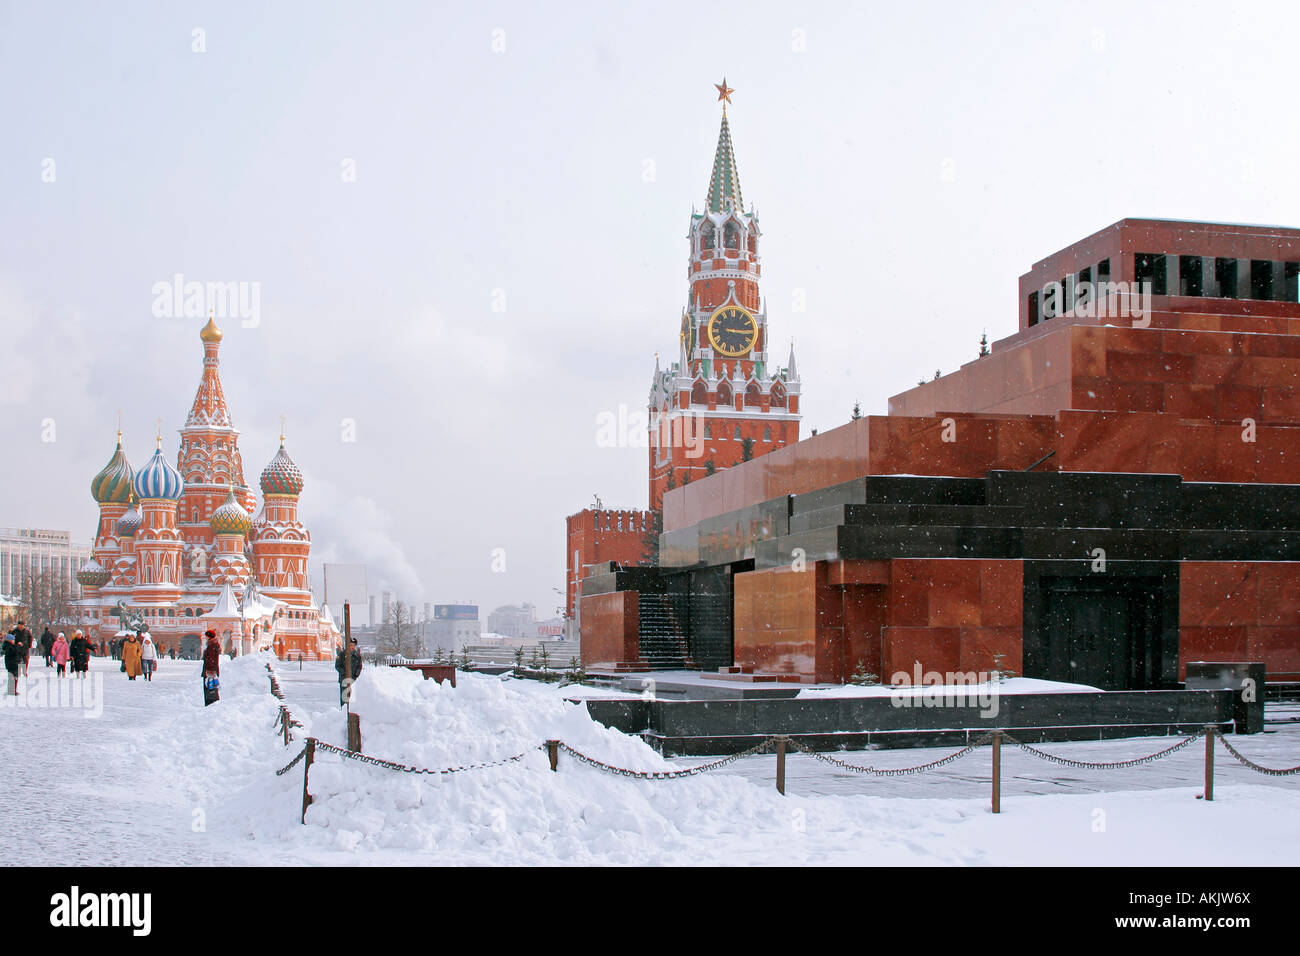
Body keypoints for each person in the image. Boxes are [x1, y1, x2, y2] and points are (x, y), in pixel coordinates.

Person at [334, 638, 363, 706]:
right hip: (344, 679)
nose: (351, 647)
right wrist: (344, 674)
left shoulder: (357, 656)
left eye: (353, 645)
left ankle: (351, 713)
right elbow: (337, 666)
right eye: (350, 645)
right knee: (344, 698)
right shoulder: (342, 654)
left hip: (353, 679)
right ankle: (344, 712)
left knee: (352, 698)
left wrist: (356, 675)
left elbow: (359, 666)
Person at [202, 630, 221, 706]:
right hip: (210, 670)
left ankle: (210, 703)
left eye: (207, 636)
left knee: (209, 687)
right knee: (211, 687)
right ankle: (211, 702)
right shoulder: (213, 645)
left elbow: (211, 659)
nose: (206, 638)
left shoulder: (212, 646)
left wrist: (210, 671)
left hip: (210, 670)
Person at [3, 627, 21, 696]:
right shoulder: (10, 646)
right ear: (10, 640)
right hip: (13, 664)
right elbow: (15, 652)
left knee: (12, 677)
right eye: (13, 639)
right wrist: (18, 646)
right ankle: (13, 691)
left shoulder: (8, 646)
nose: (14, 641)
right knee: (14, 678)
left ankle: (12, 690)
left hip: (11, 664)